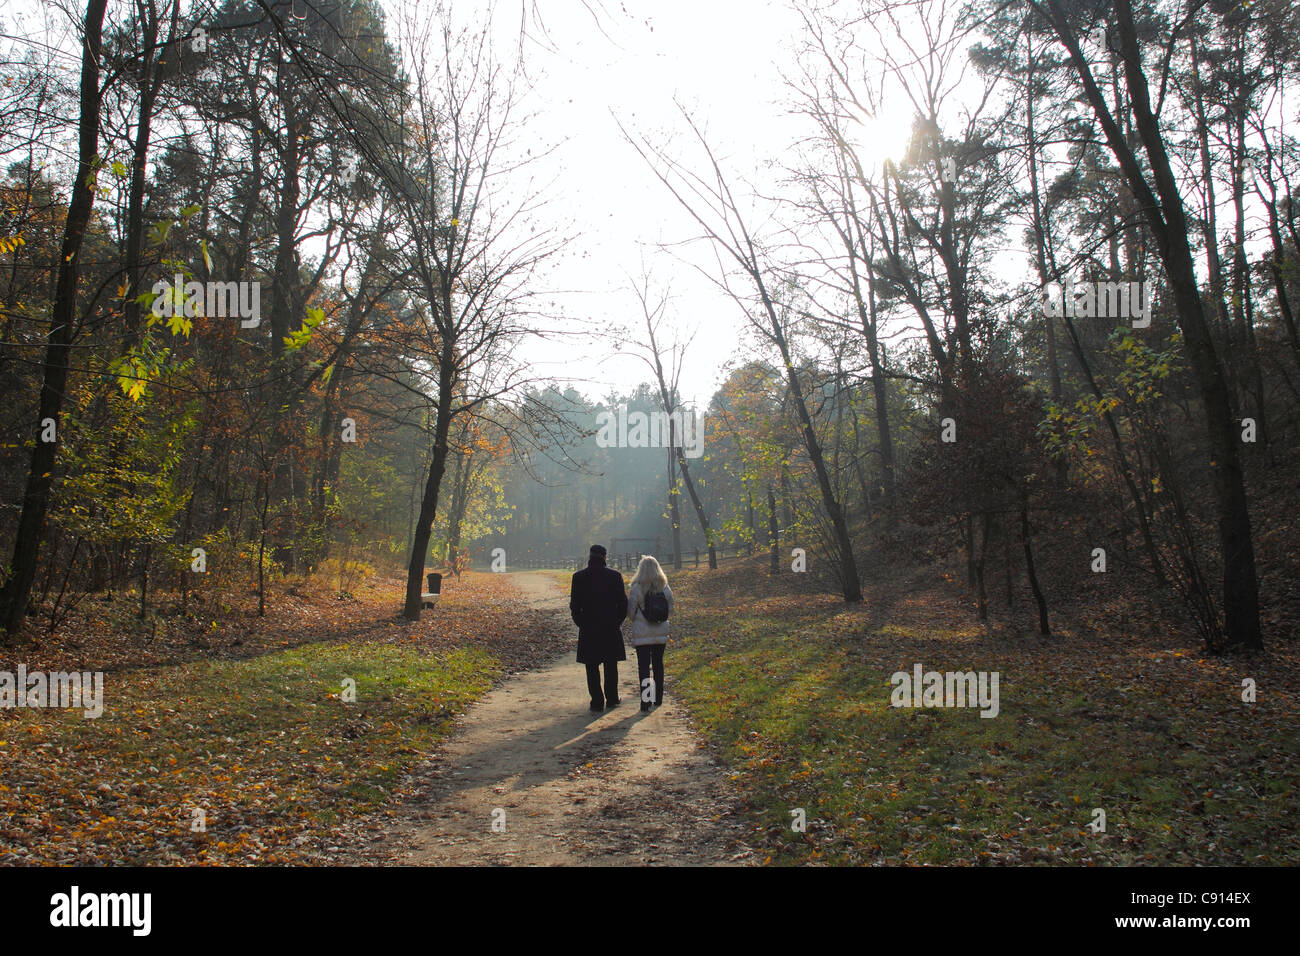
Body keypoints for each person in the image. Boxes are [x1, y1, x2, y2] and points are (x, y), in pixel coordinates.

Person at [570, 544, 628, 713]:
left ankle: (596, 700)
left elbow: (575, 606)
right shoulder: (615, 576)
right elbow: (623, 603)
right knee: (611, 664)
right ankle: (612, 698)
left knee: (591, 665)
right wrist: (617, 621)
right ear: (604, 557)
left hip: (589, 626)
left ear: (590, 557)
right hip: (610, 625)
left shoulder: (578, 577)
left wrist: (582, 623)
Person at [626, 555, 673, 712]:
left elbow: (631, 612)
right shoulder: (665, 587)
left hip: (642, 633)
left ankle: (647, 699)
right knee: (658, 665)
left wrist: (637, 619)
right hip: (660, 631)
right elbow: (670, 609)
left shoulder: (636, 588)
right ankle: (658, 699)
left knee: (644, 667)